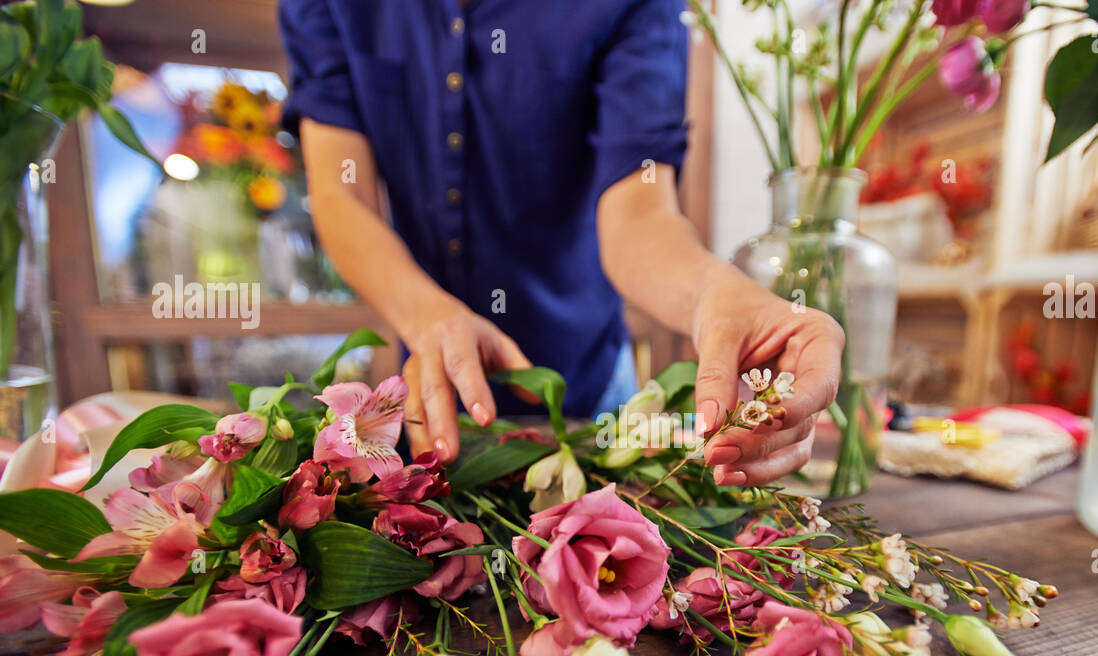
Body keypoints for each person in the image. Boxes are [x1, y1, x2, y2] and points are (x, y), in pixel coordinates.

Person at [278, 0, 844, 486]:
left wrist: (717, 295)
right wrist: (428, 316)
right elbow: (339, 195)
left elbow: (638, 210)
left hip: (595, 398)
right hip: (432, 402)